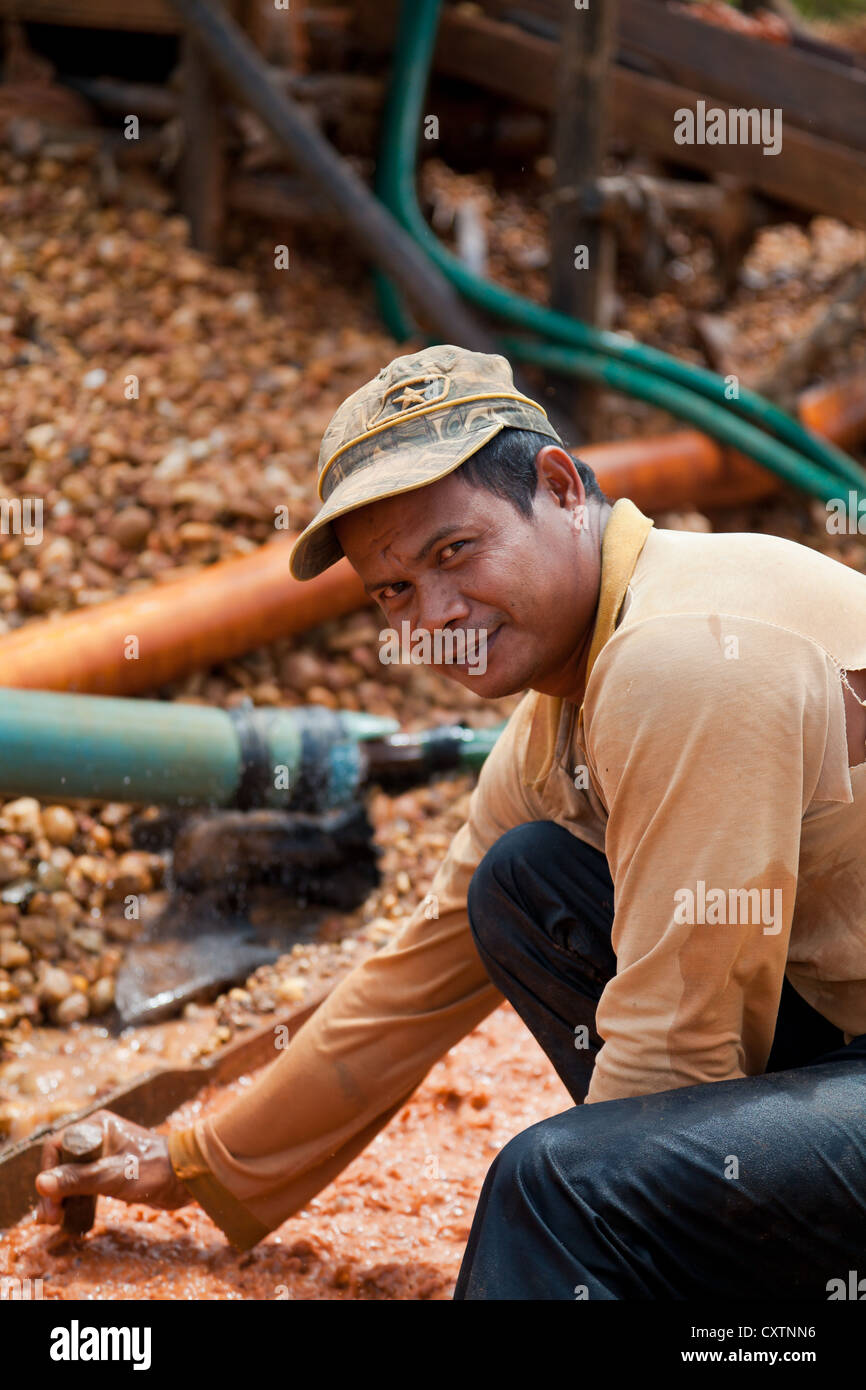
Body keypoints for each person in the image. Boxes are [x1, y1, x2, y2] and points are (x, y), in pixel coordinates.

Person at [36, 345, 866, 1300]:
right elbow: (418, 972)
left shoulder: (683, 655)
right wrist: (191, 1164)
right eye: (393, 592)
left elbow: (678, 1046)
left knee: (553, 1186)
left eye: (454, 552)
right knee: (519, 882)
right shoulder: (574, 697)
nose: (436, 618)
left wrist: (595, 1204)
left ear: (557, 487)